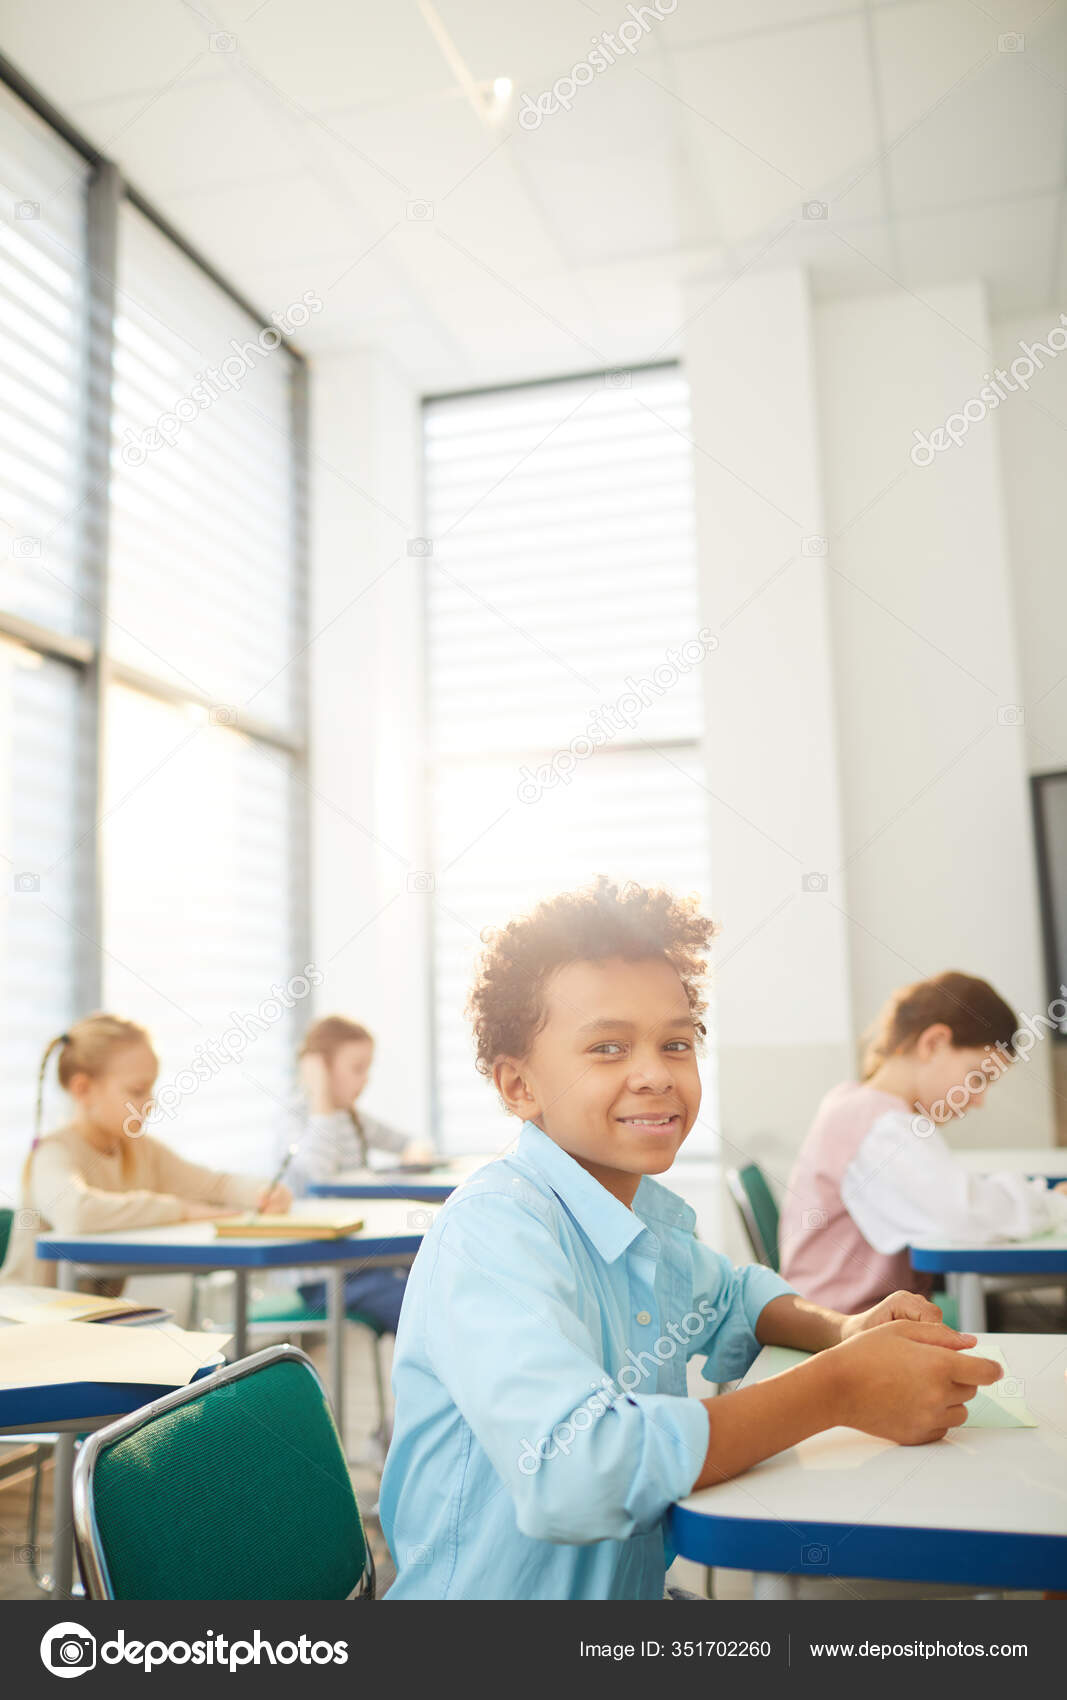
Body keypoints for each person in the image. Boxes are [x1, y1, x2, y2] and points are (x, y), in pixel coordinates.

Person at [379, 880, 998, 1600]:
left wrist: (843, 1327)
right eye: (607, 1048)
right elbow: (575, 1469)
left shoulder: (641, 1219)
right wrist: (839, 1387)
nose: (654, 1074)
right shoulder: (492, 1232)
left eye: (676, 1043)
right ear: (518, 1086)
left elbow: (735, 1295)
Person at [779, 971, 1067, 1312]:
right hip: (845, 1327)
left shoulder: (856, 1105)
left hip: (853, 1317)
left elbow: (954, 1198)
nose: (978, 1100)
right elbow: (961, 1215)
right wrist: (1052, 1203)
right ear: (933, 1042)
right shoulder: (882, 1127)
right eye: (978, 1077)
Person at [1, 1013, 290, 1289]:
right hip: (26, 1320)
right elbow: (77, 1213)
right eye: (137, 1091)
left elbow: (214, 1185)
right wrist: (181, 1211)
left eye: (151, 1089)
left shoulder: (141, 1151)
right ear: (83, 1089)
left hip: (91, 1320)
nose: (151, 1102)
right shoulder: (52, 1154)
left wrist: (262, 1192)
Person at [291, 1016, 431, 1334]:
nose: (364, 1080)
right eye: (357, 1069)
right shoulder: (298, 1117)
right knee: (419, 1306)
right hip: (325, 1278)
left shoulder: (353, 1119)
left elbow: (412, 1142)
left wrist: (415, 1154)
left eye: (368, 1069)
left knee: (440, 1276)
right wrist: (321, 1097)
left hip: (367, 1261)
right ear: (320, 1069)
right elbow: (317, 1175)